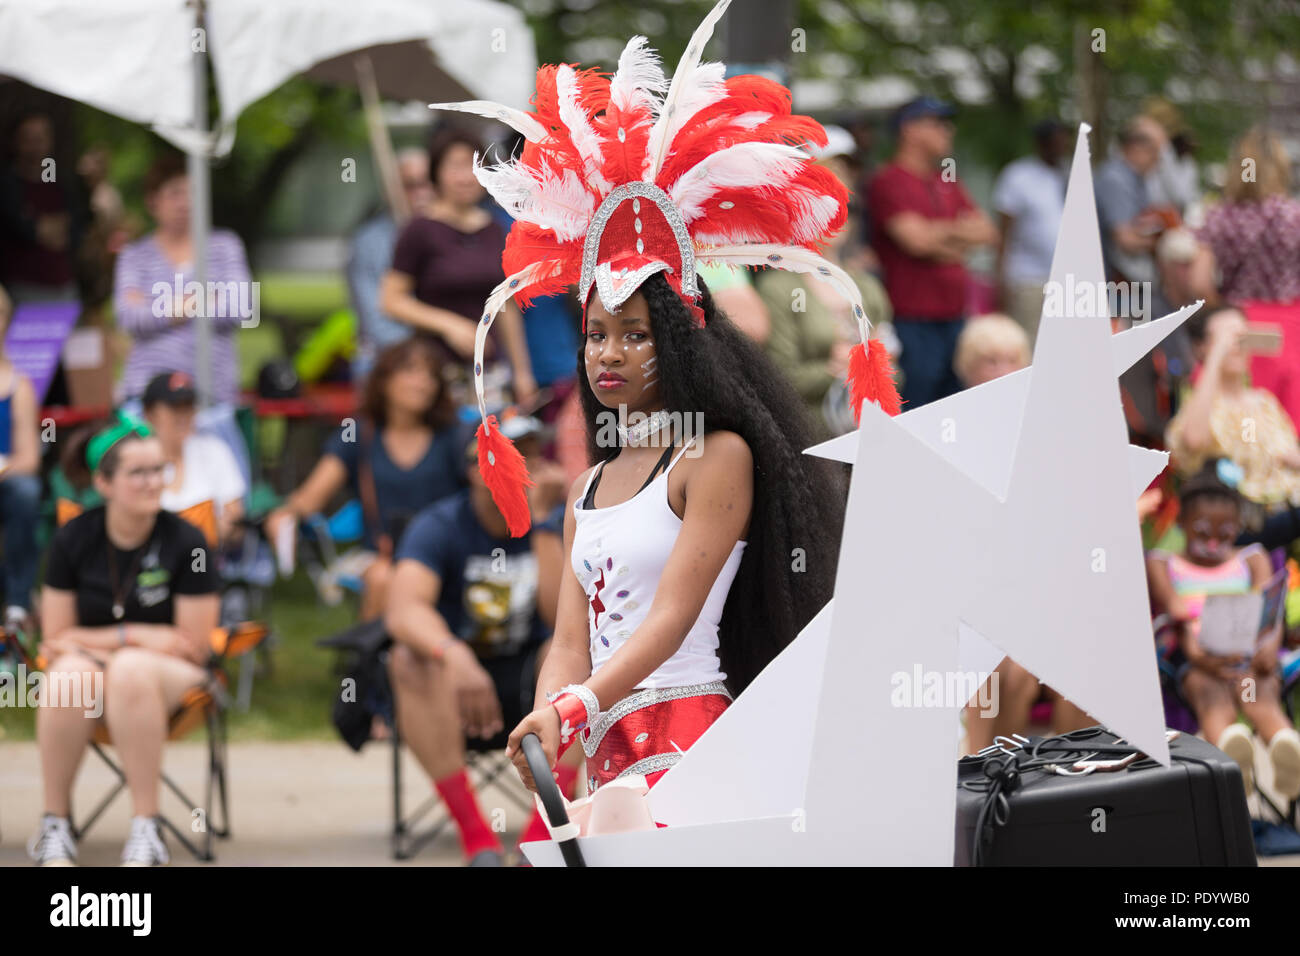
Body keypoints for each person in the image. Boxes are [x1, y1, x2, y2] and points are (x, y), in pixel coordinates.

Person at [431, 13, 896, 809]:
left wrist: (576, 704)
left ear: (678, 344)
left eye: (636, 335)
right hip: (608, 755)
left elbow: (673, 619)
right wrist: (552, 710)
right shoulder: (586, 491)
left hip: (697, 745)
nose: (608, 355)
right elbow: (571, 640)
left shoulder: (716, 458)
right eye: (596, 335)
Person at [28, 417, 220, 866]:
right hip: (95, 673)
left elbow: (192, 644)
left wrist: (97, 643)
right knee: (68, 675)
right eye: (139, 473)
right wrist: (136, 634)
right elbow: (56, 640)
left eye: (160, 470)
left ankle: (146, 825)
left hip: (177, 681)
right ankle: (55, 822)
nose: (154, 482)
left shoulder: (187, 540)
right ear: (104, 482)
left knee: (130, 672)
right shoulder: (72, 539)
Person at [384, 417, 571, 865]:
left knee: (585, 662)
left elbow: (561, 619)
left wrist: (543, 524)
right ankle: (478, 840)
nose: (526, 468)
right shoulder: (441, 524)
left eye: (533, 456)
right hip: (456, 693)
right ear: (476, 468)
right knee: (408, 660)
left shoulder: (567, 521)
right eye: (512, 455)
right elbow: (403, 609)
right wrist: (453, 653)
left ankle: (540, 839)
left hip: (537, 684)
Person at [265, 338, 470, 620]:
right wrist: (285, 513)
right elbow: (311, 497)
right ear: (384, 380)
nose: (422, 382)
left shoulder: (455, 436)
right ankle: (373, 658)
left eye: (431, 375)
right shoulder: (359, 436)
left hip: (446, 554)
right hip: (382, 555)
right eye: (410, 371)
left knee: (409, 578)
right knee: (383, 577)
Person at [1146, 462, 1300, 799]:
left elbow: (1268, 609)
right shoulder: (1164, 563)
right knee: (1210, 695)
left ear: (1239, 527)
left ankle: (1286, 747)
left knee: (1260, 693)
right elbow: (1177, 614)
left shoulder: (1251, 559)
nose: (1214, 542)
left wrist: (1270, 647)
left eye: (1225, 532)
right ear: (1182, 524)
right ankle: (1232, 755)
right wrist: (1198, 653)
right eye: (1203, 532)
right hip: (1199, 659)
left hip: (1250, 657)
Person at [112, 151, 253, 481]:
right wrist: (204, 299)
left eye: (192, 192)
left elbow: (241, 307)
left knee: (227, 490)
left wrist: (164, 304)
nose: (185, 202)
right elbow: (130, 317)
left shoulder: (224, 246)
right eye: (174, 192)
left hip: (212, 396)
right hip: (147, 399)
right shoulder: (136, 255)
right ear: (153, 201)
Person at [379, 126, 536, 411]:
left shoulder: (495, 230)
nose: (465, 177)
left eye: (474, 167)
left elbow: (506, 306)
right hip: (435, 371)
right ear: (437, 173)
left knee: (489, 448)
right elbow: (391, 300)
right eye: (456, 167)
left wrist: (523, 373)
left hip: (489, 370)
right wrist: (450, 326)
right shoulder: (419, 230)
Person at [757, 125, 893, 437]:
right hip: (810, 439)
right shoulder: (779, 288)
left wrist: (870, 368)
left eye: (847, 208)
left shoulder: (868, 285)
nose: (837, 216)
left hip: (871, 436)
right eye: (822, 206)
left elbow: (897, 372)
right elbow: (781, 379)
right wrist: (841, 368)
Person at [868, 96, 997, 408]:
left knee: (955, 405)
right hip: (912, 320)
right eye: (938, 123)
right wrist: (956, 234)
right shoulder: (889, 180)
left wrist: (936, 234)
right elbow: (917, 242)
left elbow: (988, 232)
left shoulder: (946, 180)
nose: (948, 130)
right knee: (918, 408)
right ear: (909, 130)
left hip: (955, 316)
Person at [1165, 305, 1300, 509]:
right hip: (1231, 514)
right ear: (1202, 347)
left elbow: (1288, 454)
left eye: (1242, 337)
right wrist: (1217, 353)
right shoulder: (1200, 404)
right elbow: (1192, 440)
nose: (1235, 346)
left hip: (1282, 506)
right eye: (1226, 338)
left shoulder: (1263, 403)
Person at [347, 147, 436, 382]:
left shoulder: (454, 233)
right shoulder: (369, 242)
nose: (422, 194)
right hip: (389, 361)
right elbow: (376, 321)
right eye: (410, 185)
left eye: (428, 183)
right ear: (391, 191)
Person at [1196, 127, 1300, 306]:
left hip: (1240, 319)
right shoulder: (1293, 215)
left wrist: (1220, 308)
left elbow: (1199, 282)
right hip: (1289, 318)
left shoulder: (1219, 215)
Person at [141, 371, 246, 545]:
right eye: (175, 407)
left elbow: (235, 521)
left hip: (201, 554)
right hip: (152, 555)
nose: (184, 414)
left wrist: (219, 529)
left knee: (198, 564)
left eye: (188, 405)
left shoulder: (214, 449)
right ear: (150, 413)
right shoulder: (136, 456)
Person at [992, 119, 1069, 347]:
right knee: (1030, 346)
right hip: (1028, 279)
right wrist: (1001, 278)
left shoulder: (1068, 174)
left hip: (1066, 281)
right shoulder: (1018, 176)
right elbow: (1004, 232)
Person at [0, 112, 84, 305]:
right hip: (23, 288)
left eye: (41, 137)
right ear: (16, 142)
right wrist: (40, 227)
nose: (35, 145)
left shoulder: (58, 183)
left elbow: (73, 229)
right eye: (28, 138)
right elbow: (25, 229)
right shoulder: (7, 185)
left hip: (64, 285)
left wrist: (43, 226)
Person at [0, 283, 41, 631]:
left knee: (25, 492)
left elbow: (29, 457)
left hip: (6, 479)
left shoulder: (18, 384)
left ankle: (18, 601)